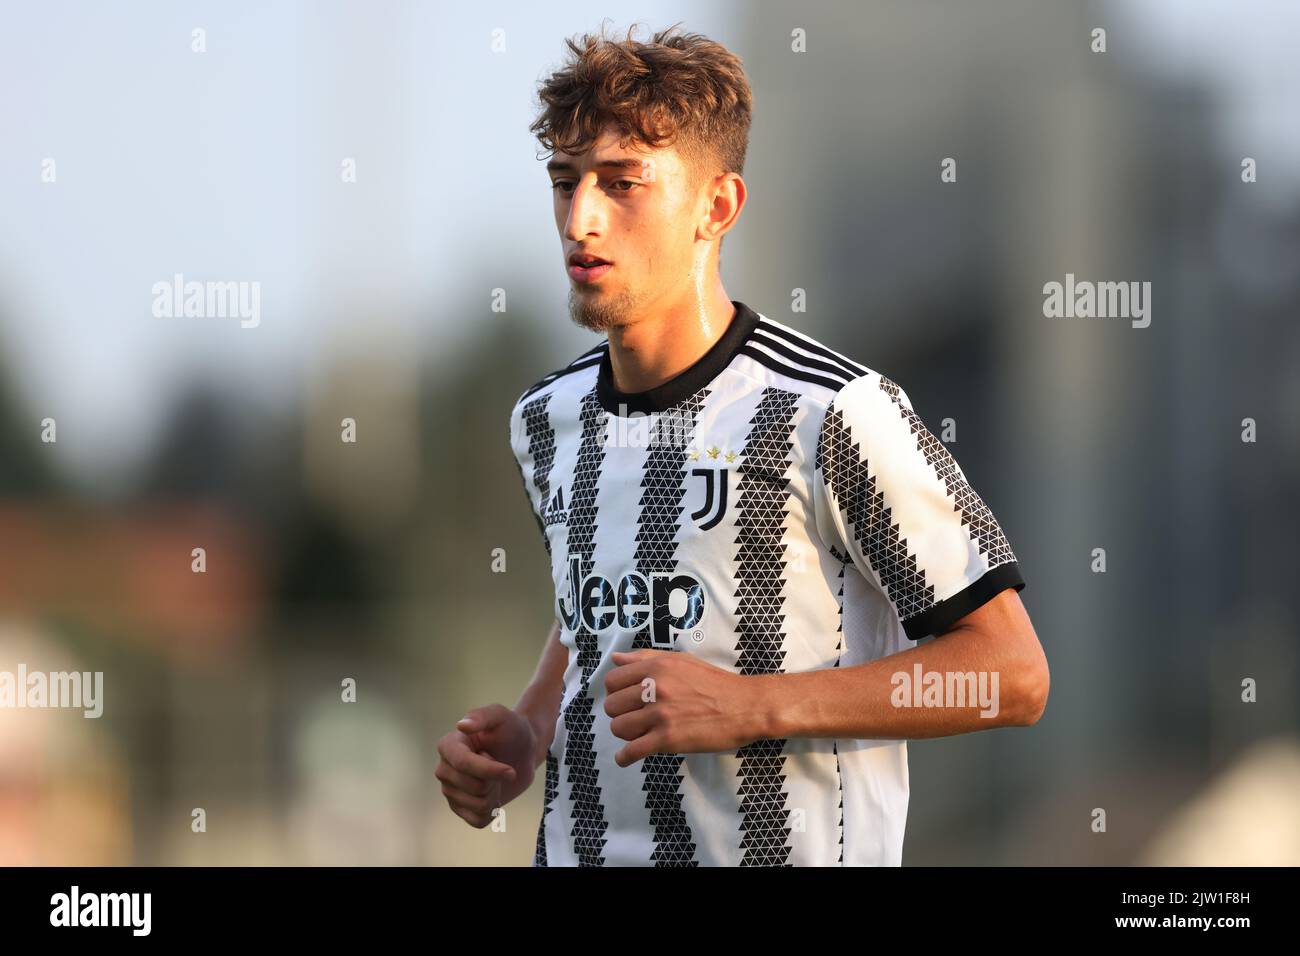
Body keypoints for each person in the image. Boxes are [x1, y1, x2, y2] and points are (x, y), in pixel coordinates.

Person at [436, 22, 1048, 866]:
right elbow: (597, 600)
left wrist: (755, 705)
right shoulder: (546, 419)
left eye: (622, 184)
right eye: (565, 181)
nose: (581, 218)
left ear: (716, 207)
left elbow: (1010, 674)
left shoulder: (836, 413)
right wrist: (532, 726)